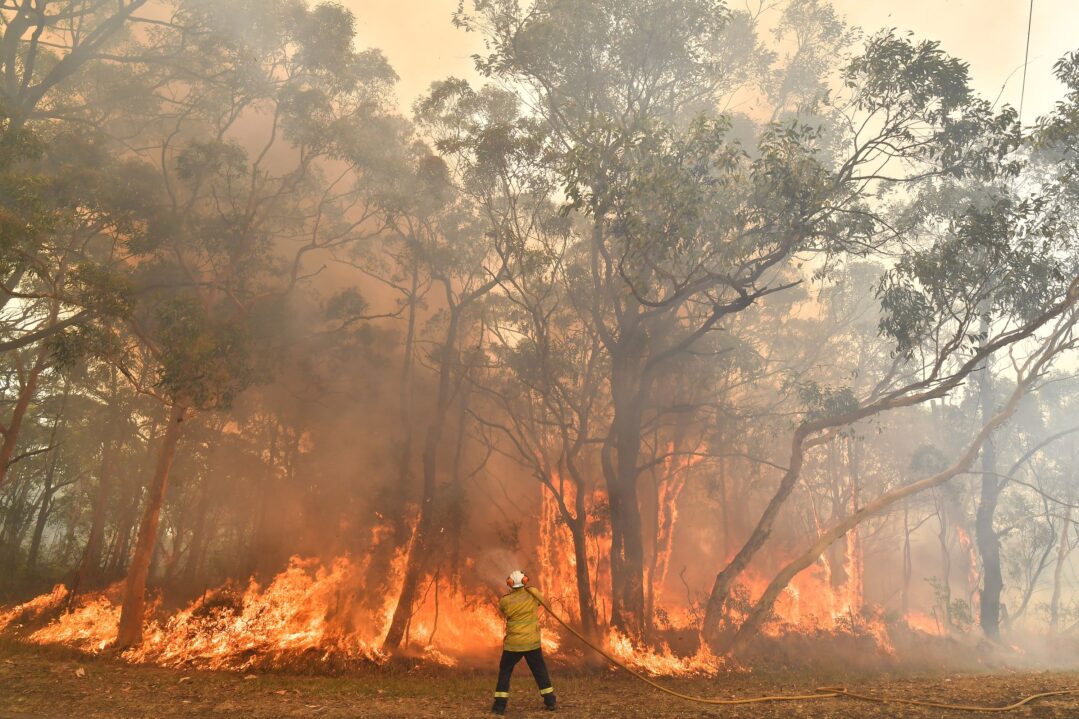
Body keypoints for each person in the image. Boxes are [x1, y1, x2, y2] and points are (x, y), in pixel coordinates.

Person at [492, 570, 556, 714]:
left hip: (513, 645)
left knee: (505, 672)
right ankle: (550, 701)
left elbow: (503, 611)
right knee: (540, 671)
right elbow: (541, 602)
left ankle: (499, 706)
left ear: (509, 583)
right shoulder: (533, 593)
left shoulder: (505, 600)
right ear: (525, 581)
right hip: (532, 643)